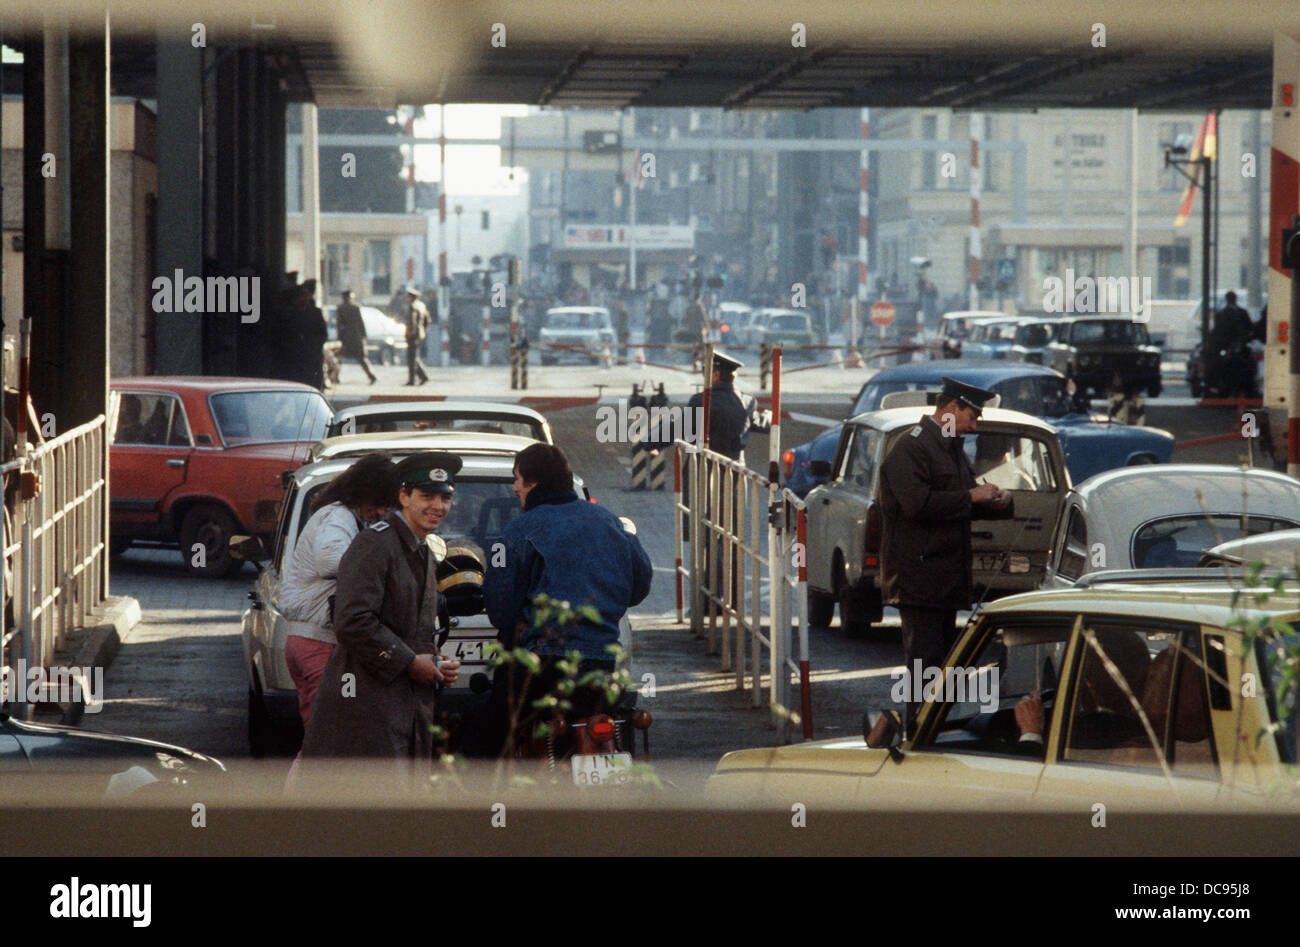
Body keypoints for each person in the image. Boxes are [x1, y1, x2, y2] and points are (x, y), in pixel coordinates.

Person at [473, 444, 652, 757]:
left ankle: (480, 802)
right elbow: (640, 585)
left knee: (484, 741)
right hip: (602, 665)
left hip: (542, 666)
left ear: (533, 483)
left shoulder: (518, 530)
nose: (514, 487)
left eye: (517, 479)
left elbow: (501, 608)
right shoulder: (609, 520)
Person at [299, 451, 464, 773]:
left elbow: (413, 630)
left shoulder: (423, 550)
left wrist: (435, 661)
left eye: (445, 498)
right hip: (366, 705)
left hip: (405, 705)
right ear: (403, 496)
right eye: (426, 496)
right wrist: (409, 662)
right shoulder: (374, 544)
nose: (437, 506)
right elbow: (352, 620)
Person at [879, 377, 1011, 737]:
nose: (976, 423)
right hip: (919, 578)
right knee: (924, 667)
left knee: (943, 667)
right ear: (951, 408)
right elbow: (916, 504)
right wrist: (972, 497)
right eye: (973, 414)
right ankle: (917, 736)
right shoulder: (911, 448)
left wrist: (996, 501)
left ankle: (932, 733)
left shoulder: (951, 447)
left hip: (945, 576)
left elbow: (962, 502)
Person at [278, 453, 398, 742]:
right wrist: (383, 567)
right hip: (321, 643)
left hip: (303, 642)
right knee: (332, 740)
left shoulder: (335, 514)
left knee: (318, 738)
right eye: (379, 502)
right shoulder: (339, 517)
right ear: (364, 493)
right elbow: (331, 562)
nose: (381, 512)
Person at [686, 350, 770, 464]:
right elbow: (759, 422)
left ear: (716, 375)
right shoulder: (747, 402)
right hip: (734, 472)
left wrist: (653, 443)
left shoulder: (701, 401)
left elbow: (677, 428)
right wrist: (769, 416)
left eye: (705, 374)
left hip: (703, 471)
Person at [336, 290, 377, 385]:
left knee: (339, 358)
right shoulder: (355, 307)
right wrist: (364, 336)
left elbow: (339, 325)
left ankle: (335, 377)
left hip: (346, 338)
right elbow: (361, 323)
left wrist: (339, 338)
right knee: (362, 359)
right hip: (357, 337)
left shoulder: (340, 308)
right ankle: (372, 376)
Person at [403, 285, 431, 386]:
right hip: (419, 334)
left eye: (408, 296)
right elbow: (428, 320)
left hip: (413, 335)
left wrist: (410, 333)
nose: (406, 298)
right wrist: (423, 330)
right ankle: (423, 376)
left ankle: (412, 380)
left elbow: (413, 322)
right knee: (414, 357)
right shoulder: (421, 305)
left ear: (411, 297)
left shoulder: (413, 306)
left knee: (411, 358)